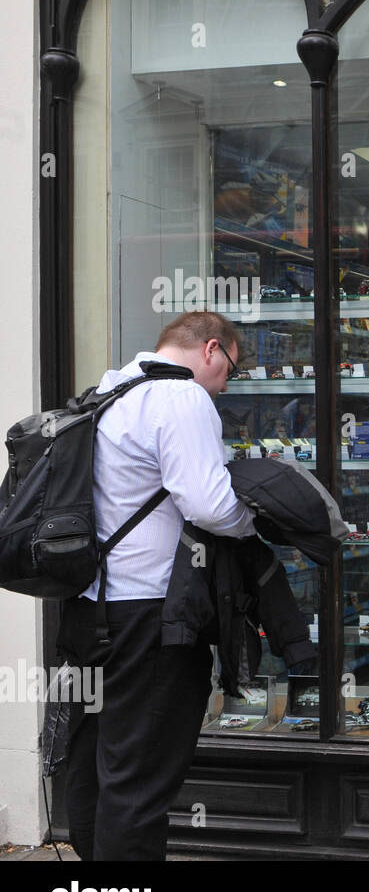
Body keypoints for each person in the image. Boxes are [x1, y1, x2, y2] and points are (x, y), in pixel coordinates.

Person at [58, 310, 257, 861]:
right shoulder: (182, 396)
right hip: (150, 615)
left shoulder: (107, 389)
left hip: (88, 608)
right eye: (230, 373)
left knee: (97, 759)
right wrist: (255, 520)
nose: (223, 387)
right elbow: (209, 505)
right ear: (212, 350)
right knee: (140, 776)